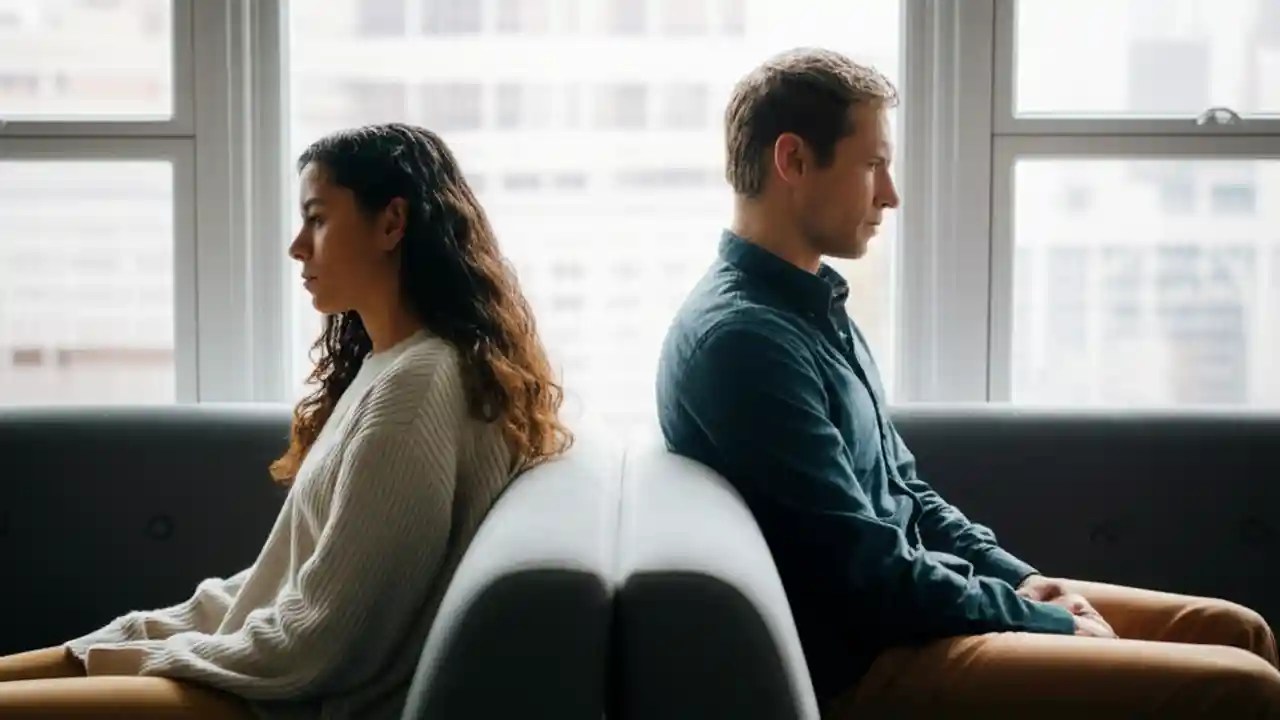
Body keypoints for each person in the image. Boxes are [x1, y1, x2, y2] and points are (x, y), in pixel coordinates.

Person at [655, 48, 1280, 718]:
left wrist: (1026, 581)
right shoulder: (744, 343)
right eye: (872, 165)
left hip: (923, 612)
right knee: (1243, 687)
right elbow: (865, 576)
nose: (889, 194)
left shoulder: (812, 308)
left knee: (1238, 630)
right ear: (794, 161)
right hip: (873, 663)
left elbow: (908, 495)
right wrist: (1047, 621)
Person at [0, 123, 572, 719]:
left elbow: (316, 642)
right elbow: (267, 589)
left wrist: (136, 661)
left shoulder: (418, 387)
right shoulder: (390, 368)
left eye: (318, 218)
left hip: (282, 705)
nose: (298, 245)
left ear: (392, 223)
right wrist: (107, 646)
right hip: (255, 680)